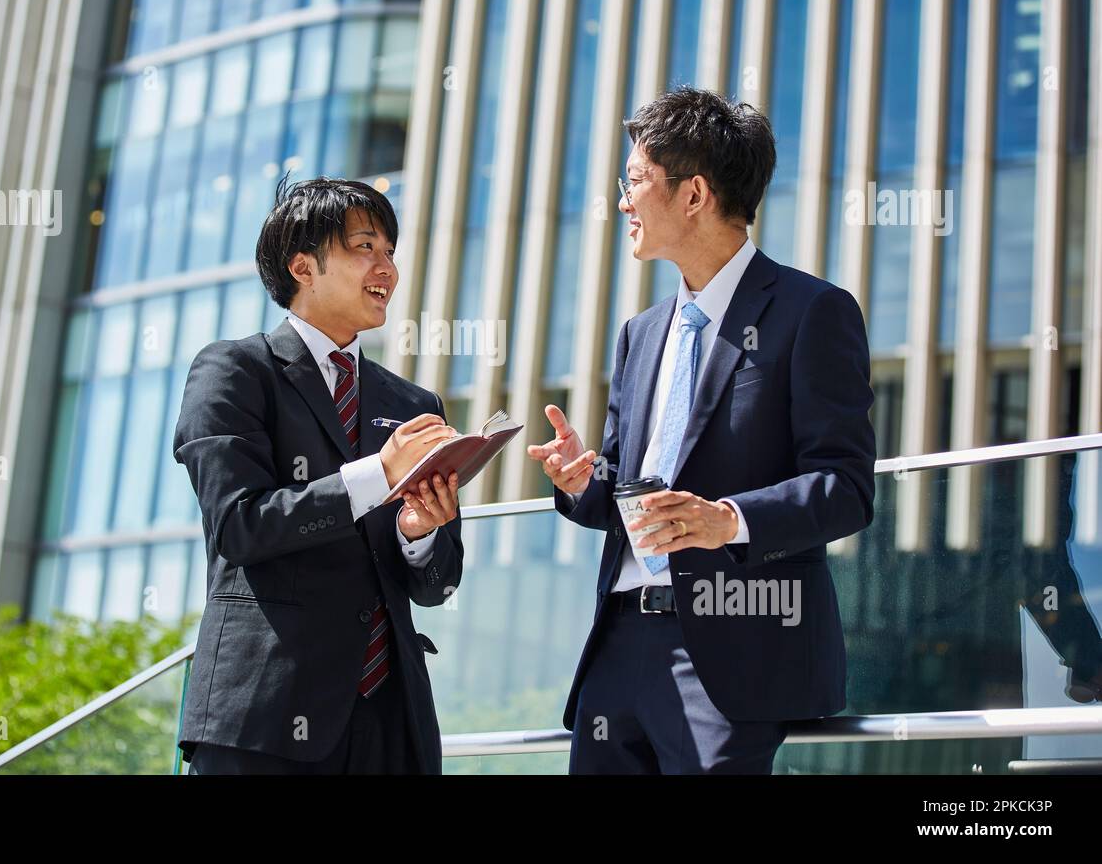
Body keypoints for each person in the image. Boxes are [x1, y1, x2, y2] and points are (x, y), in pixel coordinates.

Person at [528, 87, 876, 774]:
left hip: (731, 652)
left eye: (635, 181)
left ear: (693, 195)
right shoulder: (641, 334)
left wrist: (727, 521)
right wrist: (581, 480)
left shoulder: (813, 312)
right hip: (617, 647)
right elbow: (628, 495)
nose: (622, 201)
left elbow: (846, 488)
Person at [174, 177, 463, 774]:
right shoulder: (234, 371)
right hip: (266, 716)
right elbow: (239, 525)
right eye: (365, 248)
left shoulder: (414, 405)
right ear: (303, 266)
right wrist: (377, 474)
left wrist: (419, 534)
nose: (387, 268)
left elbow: (437, 585)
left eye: (391, 252)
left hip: (391, 725)